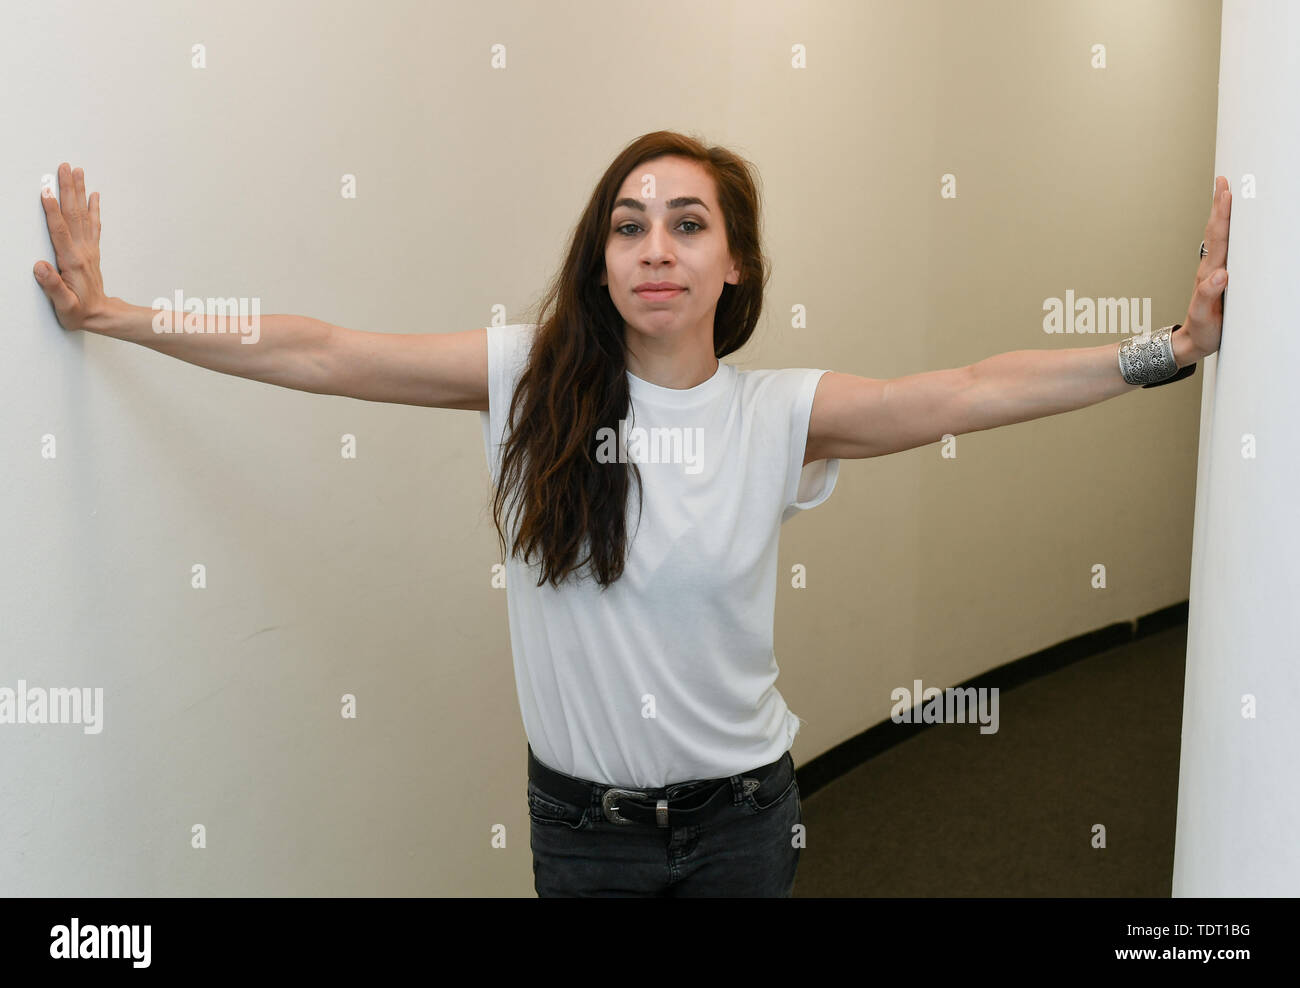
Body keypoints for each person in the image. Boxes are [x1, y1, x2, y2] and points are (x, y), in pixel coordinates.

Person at [33, 131, 1231, 897]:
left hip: (743, 824)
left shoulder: (780, 415)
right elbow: (323, 352)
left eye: (687, 222)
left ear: (736, 266)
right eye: (628, 223)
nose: (654, 246)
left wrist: (1167, 349)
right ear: (602, 261)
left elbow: (967, 388)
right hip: (584, 832)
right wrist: (116, 312)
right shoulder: (527, 378)